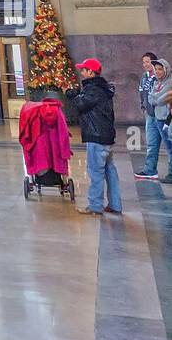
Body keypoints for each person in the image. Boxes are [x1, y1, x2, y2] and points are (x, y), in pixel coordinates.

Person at [66, 58, 122, 217]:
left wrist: (73, 95)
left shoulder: (94, 89)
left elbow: (80, 105)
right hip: (106, 136)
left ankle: (95, 206)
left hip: (97, 136)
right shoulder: (101, 88)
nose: (82, 73)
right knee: (109, 170)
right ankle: (115, 205)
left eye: (84, 70)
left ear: (91, 72)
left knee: (95, 172)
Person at [134, 53, 162, 180]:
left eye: (148, 62)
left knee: (168, 143)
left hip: (161, 114)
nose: (146, 64)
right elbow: (142, 93)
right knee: (151, 143)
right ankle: (150, 169)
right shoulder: (144, 77)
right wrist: (143, 107)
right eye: (144, 62)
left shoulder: (159, 76)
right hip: (150, 115)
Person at [146, 58, 172, 184]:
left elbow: (162, 99)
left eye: (160, 69)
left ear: (165, 70)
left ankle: (171, 173)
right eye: (156, 69)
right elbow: (150, 98)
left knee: (170, 147)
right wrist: (157, 98)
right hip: (158, 118)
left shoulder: (170, 82)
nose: (157, 71)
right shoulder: (157, 83)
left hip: (167, 119)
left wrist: (157, 98)